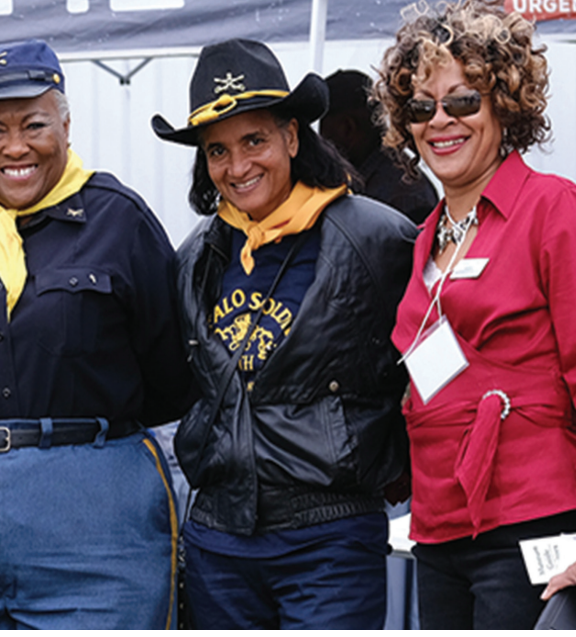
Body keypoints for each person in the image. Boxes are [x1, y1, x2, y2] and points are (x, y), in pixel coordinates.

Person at [375, 0, 576, 629]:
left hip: (535, 526)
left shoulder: (556, 211)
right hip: (439, 536)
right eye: (421, 107)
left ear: (504, 102)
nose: (440, 120)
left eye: (463, 100)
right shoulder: (425, 239)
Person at [0, 39, 191, 629]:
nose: (15, 147)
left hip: (94, 519)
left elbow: (172, 378)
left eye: (34, 124)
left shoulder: (119, 220)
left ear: (65, 125)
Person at [151, 39, 417, 629]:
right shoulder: (193, 258)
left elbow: (433, 364)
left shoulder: (377, 238)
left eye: (254, 141)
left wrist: (400, 460)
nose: (238, 166)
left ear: (293, 138)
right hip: (219, 539)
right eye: (218, 150)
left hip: (330, 536)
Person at [321, 69, 440, 225]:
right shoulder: (371, 180)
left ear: (347, 128)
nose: (320, 143)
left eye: (323, 132)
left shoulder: (405, 196)